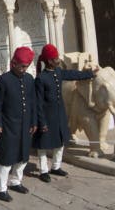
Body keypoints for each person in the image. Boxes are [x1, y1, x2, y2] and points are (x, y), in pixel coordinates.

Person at [33, 43, 97, 182]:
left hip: (59, 115)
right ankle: (43, 170)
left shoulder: (58, 72)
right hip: (46, 117)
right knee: (43, 145)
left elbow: (72, 74)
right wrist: (41, 122)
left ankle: (56, 167)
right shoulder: (41, 78)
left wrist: (90, 74)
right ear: (50, 61)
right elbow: (38, 103)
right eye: (56, 58)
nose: (58, 60)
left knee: (60, 141)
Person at [0, 46, 41, 202]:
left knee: (23, 157)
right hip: (8, 126)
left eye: (27, 66)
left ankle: (15, 182)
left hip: (26, 126)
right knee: (7, 158)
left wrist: (34, 121)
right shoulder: (4, 80)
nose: (24, 69)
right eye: (22, 66)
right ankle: (1, 188)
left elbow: (32, 103)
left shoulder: (29, 79)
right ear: (14, 63)